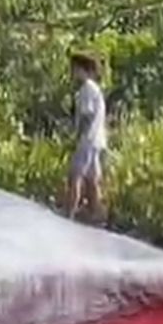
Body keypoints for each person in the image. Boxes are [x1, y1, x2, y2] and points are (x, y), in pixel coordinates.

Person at [65, 52, 107, 224]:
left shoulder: (87, 89)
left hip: (87, 140)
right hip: (97, 140)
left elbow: (86, 115)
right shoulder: (95, 89)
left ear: (83, 70)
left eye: (75, 69)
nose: (73, 73)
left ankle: (70, 213)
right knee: (92, 180)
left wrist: (78, 136)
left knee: (75, 175)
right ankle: (97, 214)